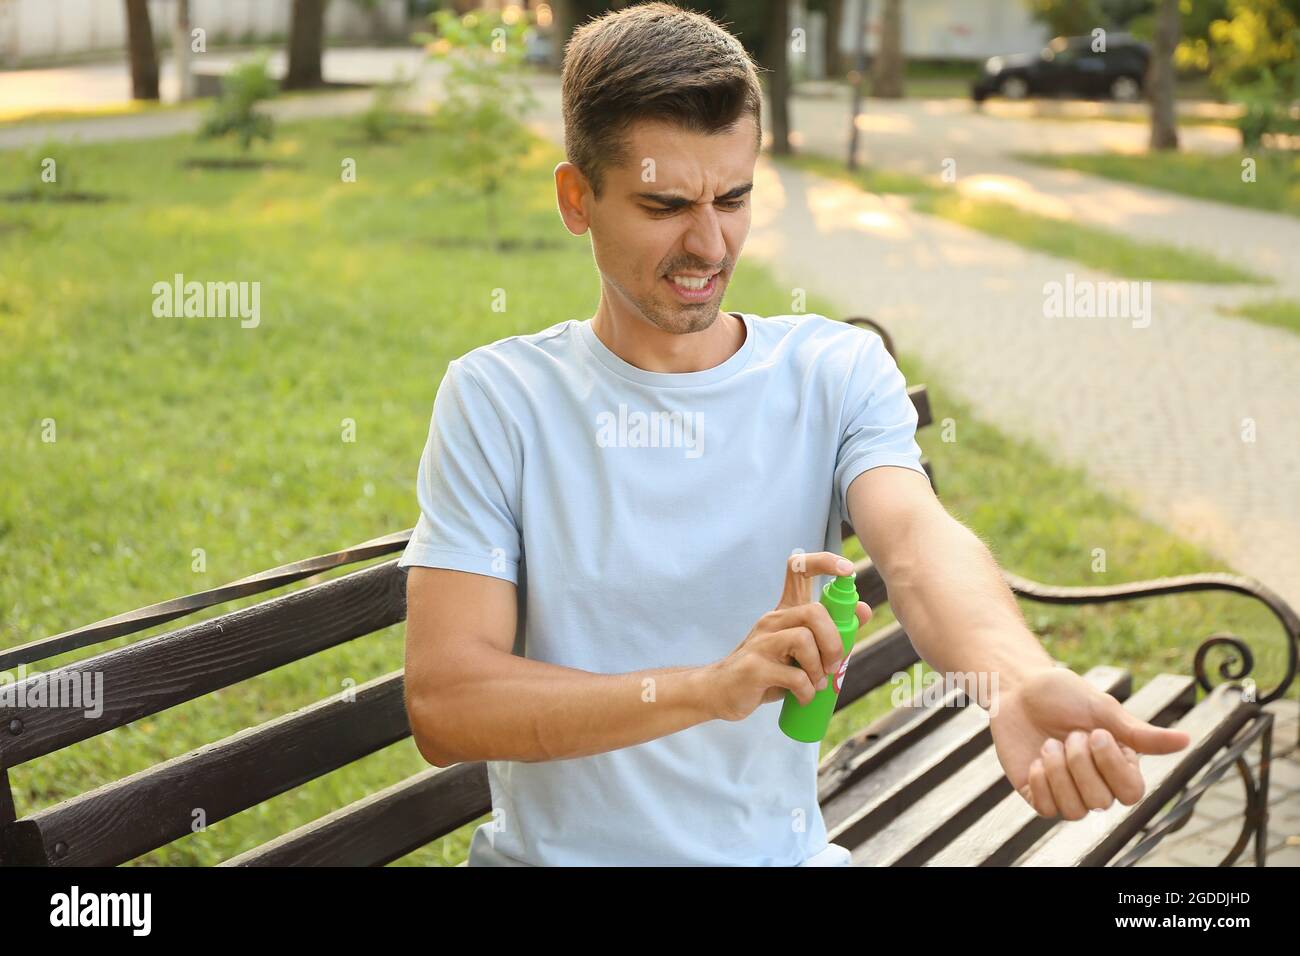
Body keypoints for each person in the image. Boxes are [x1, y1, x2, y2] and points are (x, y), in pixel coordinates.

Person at [400, 1, 1190, 867]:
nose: (709, 243)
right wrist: (706, 690)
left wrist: (1012, 678)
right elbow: (449, 702)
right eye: (665, 204)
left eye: (733, 197)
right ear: (576, 198)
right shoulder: (500, 400)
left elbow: (919, 546)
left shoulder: (832, 369)